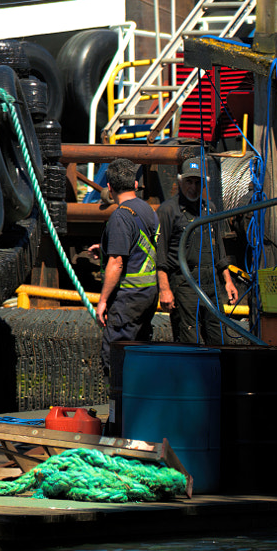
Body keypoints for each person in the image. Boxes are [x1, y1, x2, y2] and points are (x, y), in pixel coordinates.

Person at [94, 159, 160, 435]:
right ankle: (140, 418)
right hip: (147, 295)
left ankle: (119, 425)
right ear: (135, 184)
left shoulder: (121, 215)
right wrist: (106, 248)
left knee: (117, 358)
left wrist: (103, 300)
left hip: (128, 298)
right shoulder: (146, 210)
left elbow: (117, 264)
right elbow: (138, 246)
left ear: (109, 187)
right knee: (139, 355)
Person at [158, 153, 239, 346]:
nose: (193, 187)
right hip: (184, 285)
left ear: (204, 184)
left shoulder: (209, 209)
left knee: (219, 340)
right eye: (189, 181)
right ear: (180, 182)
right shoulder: (168, 211)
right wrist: (164, 289)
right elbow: (160, 255)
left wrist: (227, 281)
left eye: (197, 182)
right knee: (189, 342)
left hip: (211, 284)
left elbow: (218, 248)